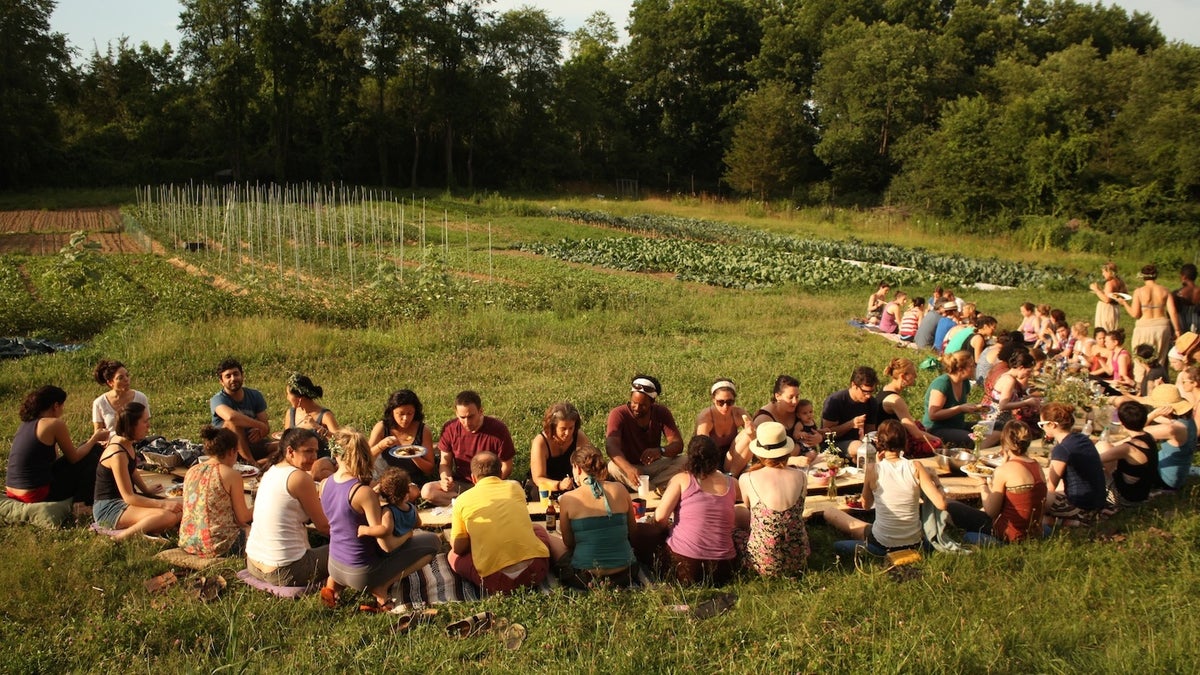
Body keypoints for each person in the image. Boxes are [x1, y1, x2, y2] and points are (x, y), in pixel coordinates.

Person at [320, 430, 439, 612]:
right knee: (432, 543)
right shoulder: (363, 493)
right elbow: (387, 545)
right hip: (362, 573)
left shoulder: (325, 483)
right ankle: (382, 587)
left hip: (335, 565)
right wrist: (408, 535)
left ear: (335, 453)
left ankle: (333, 588)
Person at [826, 420, 949, 557]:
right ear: (905, 441)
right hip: (914, 541)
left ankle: (870, 548)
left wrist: (878, 466)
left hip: (882, 541)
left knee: (830, 512)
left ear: (878, 441)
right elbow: (941, 504)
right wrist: (936, 481)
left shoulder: (873, 469)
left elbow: (866, 505)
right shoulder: (916, 467)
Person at [448, 452, 562, 594]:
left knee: (452, 555)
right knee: (537, 529)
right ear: (501, 473)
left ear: (473, 478)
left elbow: (459, 548)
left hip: (495, 581)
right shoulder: (515, 487)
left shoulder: (462, 500)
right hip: (535, 571)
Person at [245, 428, 330, 587]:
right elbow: (324, 527)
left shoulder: (271, 471)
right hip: (286, 571)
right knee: (348, 551)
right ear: (290, 451)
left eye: (316, 451)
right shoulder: (300, 478)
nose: (314, 457)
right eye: (308, 451)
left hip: (254, 564)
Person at [655, 436, 740, 586]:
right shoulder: (731, 483)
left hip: (687, 567)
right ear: (716, 457)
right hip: (724, 569)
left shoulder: (682, 479)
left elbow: (660, 518)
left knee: (649, 536)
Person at [945, 421, 1046, 544]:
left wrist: (982, 484)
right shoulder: (1037, 466)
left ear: (1004, 443)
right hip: (1032, 532)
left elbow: (991, 511)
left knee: (948, 505)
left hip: (1009, 533)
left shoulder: (1004, 470)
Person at [6, 385, 108, 506]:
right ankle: (82, 503)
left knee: (89, 447)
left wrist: (90, 443)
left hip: (13, 490)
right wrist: (95, 438)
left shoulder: (27, 423)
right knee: (92, 457)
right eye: (62, 405)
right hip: (35, 493)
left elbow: (54, 459)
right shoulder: (54, 424)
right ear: (55, 406)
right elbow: (74, 458)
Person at [92, 402, 182, 540]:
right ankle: (121, 536)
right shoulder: (117, 453)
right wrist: (163, 503)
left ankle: (148, 528)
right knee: (167, 516)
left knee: (182, 508)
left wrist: (146, 491)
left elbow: (132, 470)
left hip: (125, 502)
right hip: (110, 508)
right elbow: (129, 497)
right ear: (131, 426)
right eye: (145, 422)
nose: (148, 426)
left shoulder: (127, 442)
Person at [558, 445, 637, 589]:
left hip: (587, 577)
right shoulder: (621, 489)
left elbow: (569, 543)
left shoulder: (567, 499)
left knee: (556, 550)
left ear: (578, 468)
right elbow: (632, 531)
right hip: (625, 573)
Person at [738, 422, 809, 578]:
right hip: (798, 557)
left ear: (759, 453)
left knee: (735, 533)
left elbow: (749, 509)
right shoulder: (801, 477)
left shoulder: (747, 478)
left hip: (764, 563)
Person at [421, 390, 516, 507]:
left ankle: (463, 504)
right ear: (456, 413)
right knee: (427, 490)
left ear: (481, 411)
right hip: (462, 483)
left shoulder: (498, 430)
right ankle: (473, 503)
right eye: (462, 417)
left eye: (471, 417)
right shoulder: (449, 429)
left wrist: (489, 484)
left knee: (514, 487)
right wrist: (445, 478)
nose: (467, 422)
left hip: (489, 484)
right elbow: (445, 463)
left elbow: (507, 466)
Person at [179, 425, 253, 557]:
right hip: (218, 545)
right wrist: (261, 504)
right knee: (259, 531)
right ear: (231, 451)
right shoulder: (231, 474)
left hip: (188, 541)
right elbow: (244, 517)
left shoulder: (191, 471)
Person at [605, 375, 685, 491]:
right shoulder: (618, 414)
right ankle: (654, 489)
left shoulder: (661, 412)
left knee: (685, 461)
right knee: (612, 467)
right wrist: (628, 469)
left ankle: (646, 488)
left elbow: (677, 444)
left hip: (653, 467)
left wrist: (660, 451)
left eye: (642, 405)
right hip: (628, 466)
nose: (636, 408)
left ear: (652, 402)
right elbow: (611, 447)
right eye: (634, 402)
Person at [1040, 403, 1107, 526]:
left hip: (1080, 505)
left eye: (1042, 425)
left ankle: (1067, 521)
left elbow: (1050, 488)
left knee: (1039, 496)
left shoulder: (1062, 449)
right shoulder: (1082, 438)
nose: (1042, 428)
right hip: (1097, 501)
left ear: (1052, 425)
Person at [369, 389, 436, 499]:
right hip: (382, 479)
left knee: (411, 492)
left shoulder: (423, 430)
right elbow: (365, 458)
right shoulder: (382, 427)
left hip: (409, 482)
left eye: (410, 414)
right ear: (392, 412)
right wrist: (381, 445)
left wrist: (414, 455)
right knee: (365, 489)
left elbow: (429, 469)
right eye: (401, 414)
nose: (405, 419)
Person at [1116, 264, 1180, 368]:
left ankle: (1142, 381)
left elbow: (1135, 314)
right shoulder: (1165, 290)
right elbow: (1173, 312)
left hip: (1144, 326)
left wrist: (1124, 303)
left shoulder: (1139, 291)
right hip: (1162, 326)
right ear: (1156, 276)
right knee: (1160, 359)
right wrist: (1177, 330)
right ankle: (1158, 379)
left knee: (1141, 359)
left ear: (1143, 276)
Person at [1095, 401, 1157, 509]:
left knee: (1092, 465)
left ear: (1122, 423)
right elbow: (1123, 442)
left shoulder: (1127, 449)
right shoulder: (1148, 437)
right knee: (1104, 445)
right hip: (1141, 493)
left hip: (1125, 498)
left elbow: (1093, 461)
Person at [210, 358, 270, 468]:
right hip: (227, 449)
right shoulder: (217, 399)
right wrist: (259, 425)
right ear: (221, 381)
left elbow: (265, 427)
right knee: (233, 424)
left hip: (251, 445)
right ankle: (252, 464)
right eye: (228, 376)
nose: (233, 379)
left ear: (242, 375)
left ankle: (263, 463)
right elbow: (231, 417)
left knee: (285, 446)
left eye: (236, 374)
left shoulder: (255, 395)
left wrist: (260, 431)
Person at [877, 358, 941, 455]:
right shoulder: (895, 400)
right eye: (913, 374)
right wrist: (938, 440)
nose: (916, 376)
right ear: (903, 376)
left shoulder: (885, 389)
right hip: (890, 443)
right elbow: (917, 434)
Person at [923, 351, 987, 448]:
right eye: (972, 365)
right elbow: (933, 415)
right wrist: (960, 409)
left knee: (996, 426)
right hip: (937, 428)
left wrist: (974, 408)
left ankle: (981, 448)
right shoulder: (943, 383)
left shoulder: (964, 382)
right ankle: (979, 451)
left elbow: (959, 406)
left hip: (958, 425)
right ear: (961, 369)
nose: (975, 367)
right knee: (970, 439)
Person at [282, 372, 339, 480]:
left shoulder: (325, 415)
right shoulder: (291, 413)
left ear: (299, 398)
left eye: (288, 394)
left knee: (317, 471)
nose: (287, 397)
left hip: (321, 458)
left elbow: (341, 441)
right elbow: (286, 441)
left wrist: (317, 427)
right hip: (297, 457)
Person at [531, 401, 597, 493]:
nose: (568, 433)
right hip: (548, 486)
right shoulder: (541, 442)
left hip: (573, 485)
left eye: (571, 428)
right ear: (553, 427)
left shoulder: (579, 437)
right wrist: (559, 485)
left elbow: (589, 466)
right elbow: (538, 478)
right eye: (563, 429)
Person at [1142, 384, 1196, 490]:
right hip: (1176, 472)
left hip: (1165, 479)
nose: (1154, 407)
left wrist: (1153, 415)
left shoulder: (1173, 429)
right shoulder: (1186, 421)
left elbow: (1135, 431)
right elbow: (1163, 420)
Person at [821, 366, 880, 456]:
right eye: (865, 392)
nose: (868, 396)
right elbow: (827, 434)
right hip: (833, 445)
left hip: (859, 443)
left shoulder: (872, 402)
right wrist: (851, 424)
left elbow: (870, 431)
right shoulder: (835, 401)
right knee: (859, 447)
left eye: (871, 392)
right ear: (854, 385)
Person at [987, 351, 1042, 436]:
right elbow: (1003, 405)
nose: (1029, 374)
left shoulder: (1006, 376)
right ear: (1021, 368)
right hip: (998, 419)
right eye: (1028, 371)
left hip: (997, 416)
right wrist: (1026, 402)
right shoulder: (1009, 380)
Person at [91, 359, 149, 435]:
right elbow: (98, 433)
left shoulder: (141, 398)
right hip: (112, 444)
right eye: (120, 378)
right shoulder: (99, 403)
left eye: (127, 375)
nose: (126, 379)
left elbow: (146, 425)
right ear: (110, 382)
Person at [693, 379, 748, 456]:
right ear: (713, 400)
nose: (725, 406)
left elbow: (757, 437)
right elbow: (702, 450)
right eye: (720, 402)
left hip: (732, 459)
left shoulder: (739, 414)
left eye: (729, 402)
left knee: (749, 432)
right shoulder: (706, 418)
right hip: (709, 458)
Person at [376, 468, 421, 552]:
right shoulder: (412, 508)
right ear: (407, 493)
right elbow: (418, 523)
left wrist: (365, 530)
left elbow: (385, 530)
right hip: (410, 543)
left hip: (397, 548)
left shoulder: (388, 511)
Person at [1090, 262, 1128, 332]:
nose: (1103, 274)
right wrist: (1101, 291)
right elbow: (1121, 295)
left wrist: (1096, 290)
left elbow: (1107, 299)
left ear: (1109, 272)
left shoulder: (1110, 283)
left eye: (1104, 272)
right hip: (1115, 309)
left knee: (1104, 331)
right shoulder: (1120, 281)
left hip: (1107, 310)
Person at [1174, 263, 1200, 334]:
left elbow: (1173, 311)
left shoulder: (1177, 293)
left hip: (1182, 322)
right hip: (1197, 321)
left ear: (1184, 277)